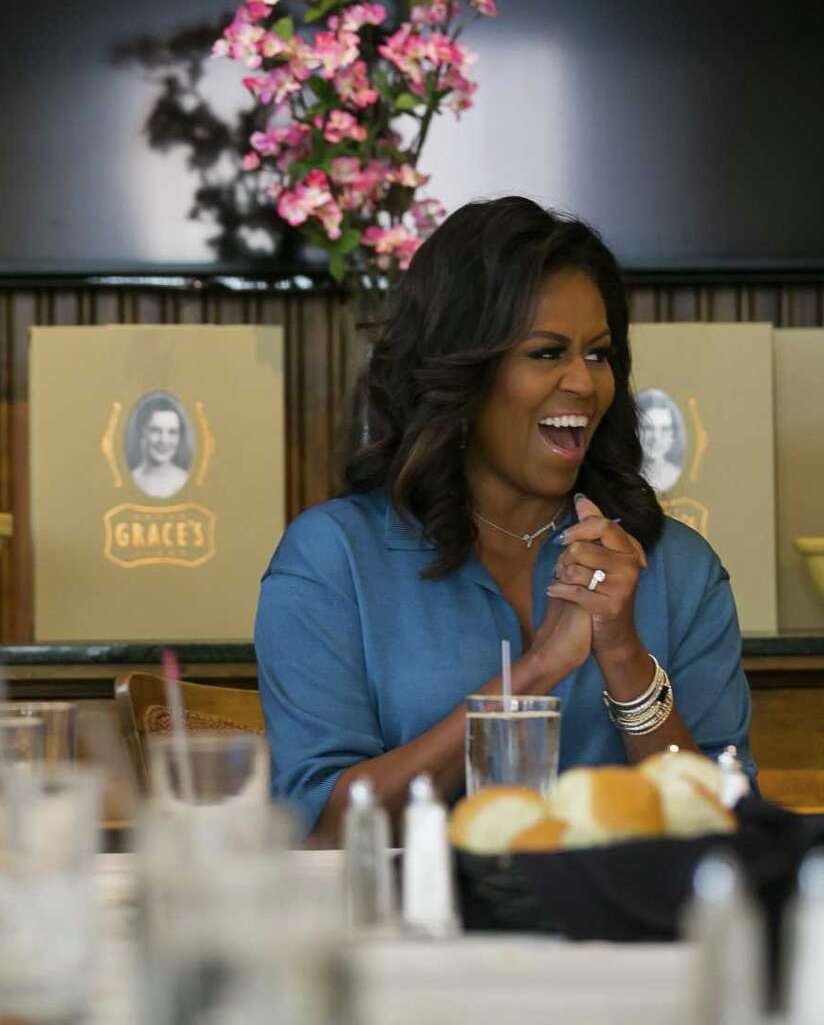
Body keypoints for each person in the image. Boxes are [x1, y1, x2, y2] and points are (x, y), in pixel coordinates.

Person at [255, 197, 754, 843]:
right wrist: (535, 673)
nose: (583, 381)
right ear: (463, 374)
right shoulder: (333, 561)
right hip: (411, 938)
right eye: (547, 354)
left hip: (622, 937)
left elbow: (731, 833)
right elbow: (322, 831)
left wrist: (625, 656)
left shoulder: (679, 569)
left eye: (599, 354)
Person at [130, 398, 190, 499]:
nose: (164, 440)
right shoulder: (130, 480)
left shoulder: (186, 481)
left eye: (172, 432)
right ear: (142, 433)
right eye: (155, 430)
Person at [635, 389, 684, 493]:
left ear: (672, 436)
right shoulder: (625, 473)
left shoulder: (673, 473)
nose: (656, 438)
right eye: (648, 428)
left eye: (664, 430)